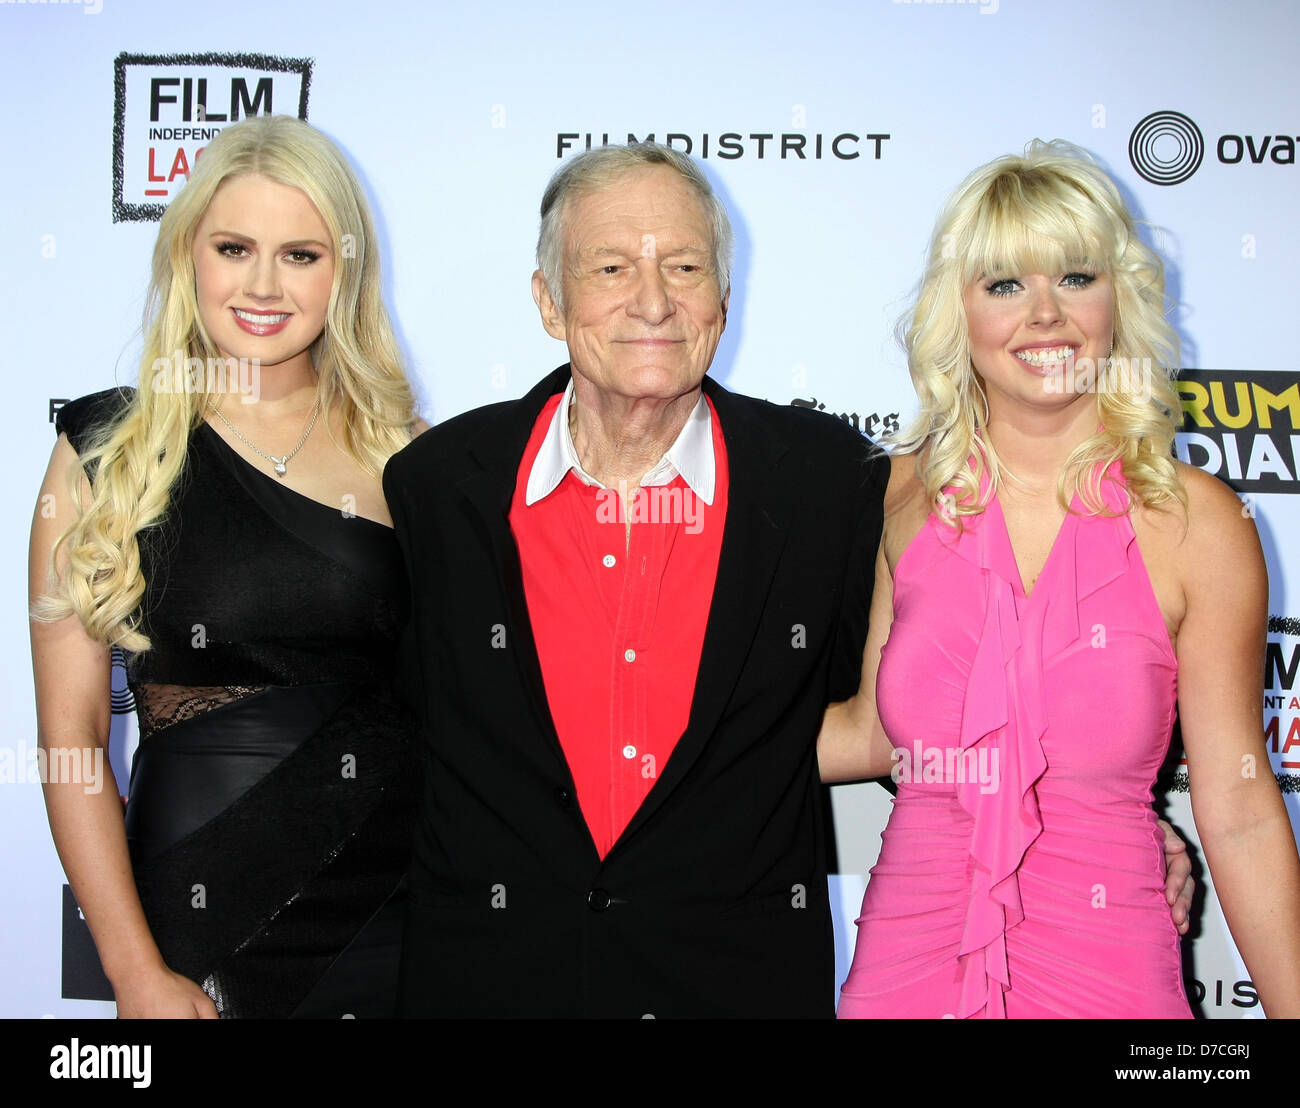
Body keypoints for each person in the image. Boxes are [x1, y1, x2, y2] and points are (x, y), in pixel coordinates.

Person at [383, 141, 1193, 1017]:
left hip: (733, 984)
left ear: (723, 301)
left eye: (685, 266)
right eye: (611, 267)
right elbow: (383, 731)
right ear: (549, 300)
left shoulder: (829, 484)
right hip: (485, 984)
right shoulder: (436, 483)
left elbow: (906, 706)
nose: (652, 299)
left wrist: (1084, 810)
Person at [820, 140, 1300, 1018]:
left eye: (1076, 277)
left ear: (1119, 298)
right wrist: (641, 755)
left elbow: (1235, 803)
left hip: (1109, 965)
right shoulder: (899, 498)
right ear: (956, 312)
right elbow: (866, 733)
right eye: (1005, 285)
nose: (1046, 315)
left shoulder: (1200, 524)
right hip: (909, 963)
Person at [29, 115, 423, 1018]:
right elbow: (75, 739)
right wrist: (134, 972)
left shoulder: (412, 457)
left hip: (396, 915)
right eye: (234, 247)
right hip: (196, 921)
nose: (262, 284)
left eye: (301, 255)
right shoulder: (102, 451)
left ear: (345, 271)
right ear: (186, 257)